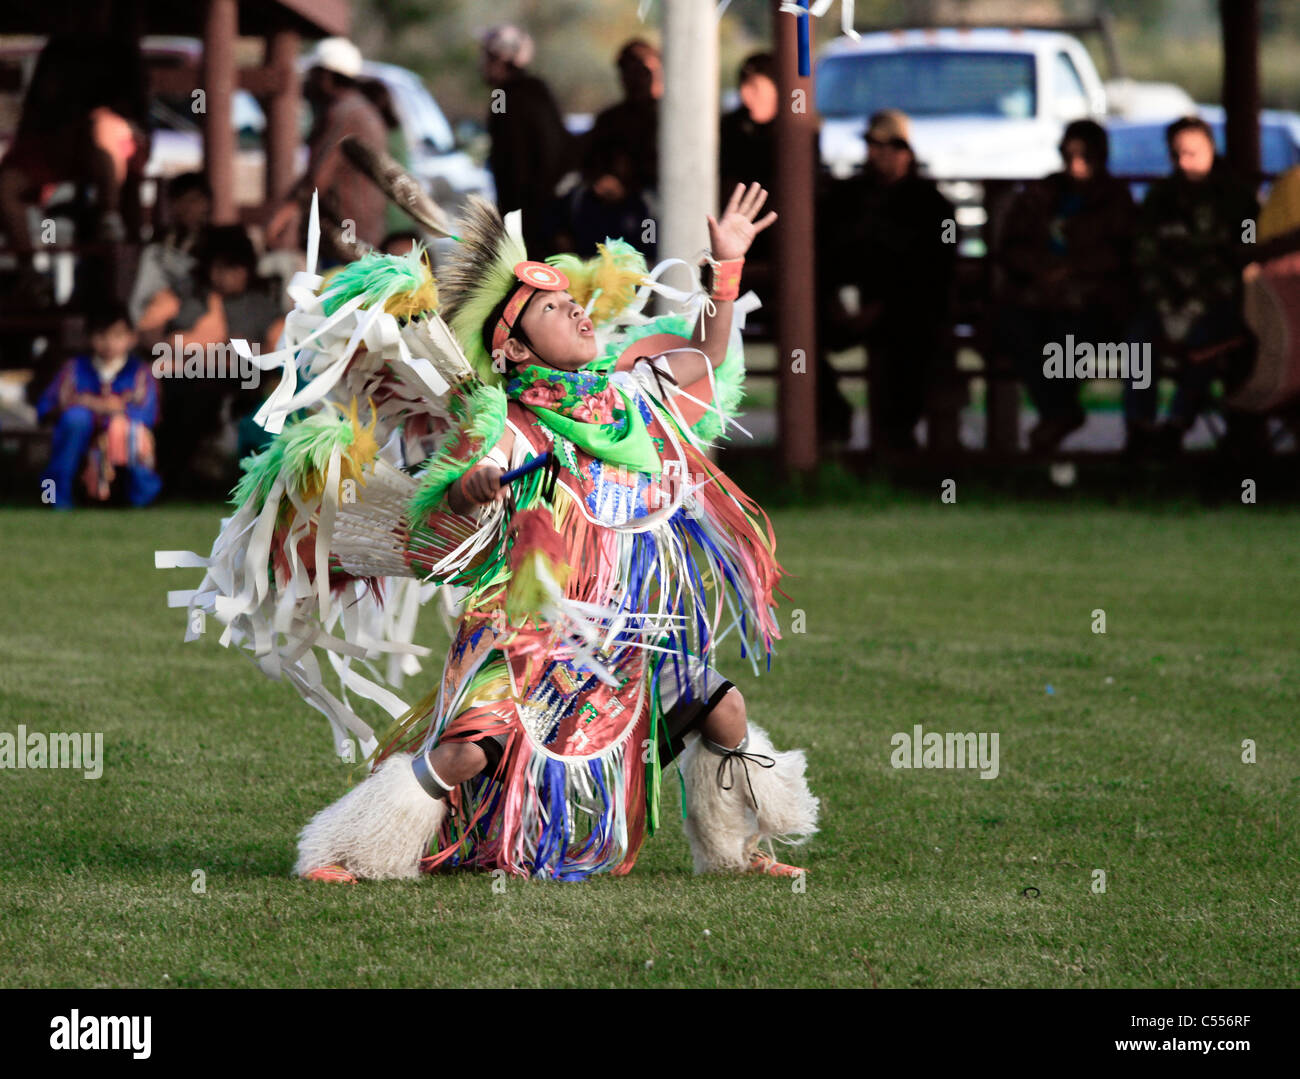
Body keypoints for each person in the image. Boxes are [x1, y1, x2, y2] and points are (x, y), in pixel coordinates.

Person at [165, 183, 819, 883]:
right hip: (529, 638)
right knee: (464, 753)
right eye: (550, 307)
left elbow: (707, 353)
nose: (576, 308)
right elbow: (450, 497)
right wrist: (471, 488)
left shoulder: (636, 393)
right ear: (511, 347)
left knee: (722, 709)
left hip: (627, 637)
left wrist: (727, 269)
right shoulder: (506, 424)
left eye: (572, 300)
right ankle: (345, 851)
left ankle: (733, 851)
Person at [997, 120, 1136, 453]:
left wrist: (1072, 270)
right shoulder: (1042, 193)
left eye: (1085, 156)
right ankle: (1058, 412)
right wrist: (1041, 271)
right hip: (1038, 296)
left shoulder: (1114, 198)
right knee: (1015, 327)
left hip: (1093, 301)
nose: (1076, 164)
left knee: (1065, 332)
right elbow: (1012, 245)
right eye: (1070, 155)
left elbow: (1122, 253)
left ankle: (1058, 413)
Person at [820, 109, 955, 450]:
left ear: (907, 152)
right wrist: (833, 300)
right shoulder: (843, 197)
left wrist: (883, 307)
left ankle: (898, 439)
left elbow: (934, 271)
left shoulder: (931, 204)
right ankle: (831, 418)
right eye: (873, 145)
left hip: (903, 312)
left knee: (913, 340)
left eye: (891, 146)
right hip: (841, 304)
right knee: (796, 332)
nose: (880, 154)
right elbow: (821, 253)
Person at [1125, 115, 1261, 455]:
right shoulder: (1160, 198)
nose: (1184, 162)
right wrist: (1166, 304)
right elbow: (1145, 255)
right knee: (1138, 341)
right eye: (1177, 154)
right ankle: (1140, 428)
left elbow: (1247, 256)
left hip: (1218, 302)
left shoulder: (1239, 199)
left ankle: (1177, 424)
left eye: (1192, 153)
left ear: (1211, 149)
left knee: (1207, 347)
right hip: (1166, 301)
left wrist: (1197, 305)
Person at [265, 37, 388, 262]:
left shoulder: (342, 114)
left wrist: (282, 217)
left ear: (326, 76)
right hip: (366, 233)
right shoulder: (363, 110)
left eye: (314, 74)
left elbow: (317, 178)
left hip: (345, 237)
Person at [38, 301, 161, 509]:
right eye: (102, 336)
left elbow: (148, 412)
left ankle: (141, 499)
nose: (109, 343)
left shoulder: (139, 372)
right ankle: (55, 497)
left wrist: (117, 413)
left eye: (117, 336)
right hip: (81, 438)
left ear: (131, 338)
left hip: (121, 439)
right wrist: (93, 406)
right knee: (75, 419)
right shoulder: (74, 369)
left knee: (131, 431)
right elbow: (51, 405)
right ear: (89, 337)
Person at [479, 24, 574, 259]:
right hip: (529, 219)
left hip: (535, 223)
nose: (483, 64)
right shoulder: (519, 93)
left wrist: (533, 217)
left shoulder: (518, 95)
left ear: (502, 58)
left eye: (488, 57)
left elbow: (544, 158)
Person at [564, 39, 663, 260]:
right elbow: (586, 160)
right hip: (608, 218)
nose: (634, 78)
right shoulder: (610, 119)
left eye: (641, 70)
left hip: (650, 218)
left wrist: (630, 185)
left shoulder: (671, 120)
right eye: (627, 70)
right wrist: (602, 180)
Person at [720, 53, 778, 318]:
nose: (745, 95)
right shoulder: (731, 128)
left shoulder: (796, 128)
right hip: (736, 233)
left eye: (754, 87)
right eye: (742, 86)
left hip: (777, 237)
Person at [130, 172, 212, 336]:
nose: (187, 207)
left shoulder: (217, 238)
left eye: (193, 200)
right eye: (180, 201)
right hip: (160, 302)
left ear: (207, 203)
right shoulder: (161, 237)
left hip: (198, 304)